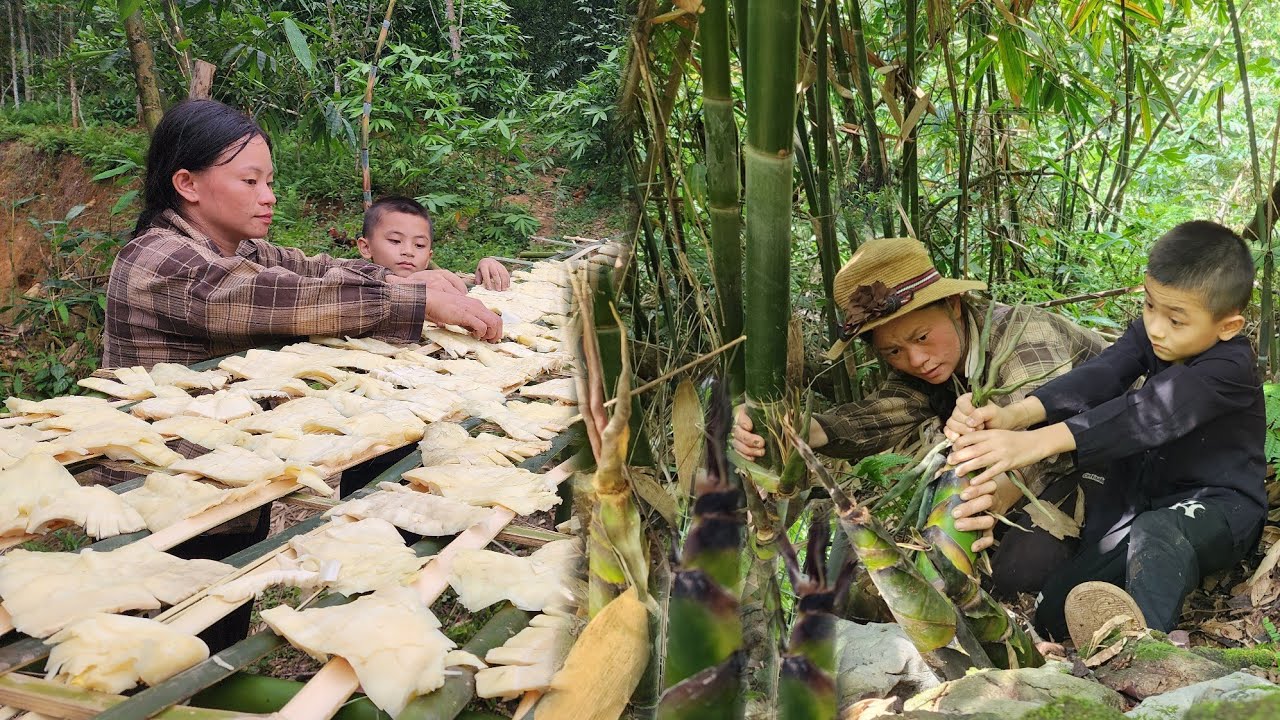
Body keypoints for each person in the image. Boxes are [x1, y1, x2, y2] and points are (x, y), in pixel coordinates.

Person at [945, 220, 1265, 648]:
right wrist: (1015, 415)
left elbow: (1148, 413)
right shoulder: (1152, 337)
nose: (1155, 327)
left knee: (1159, 533)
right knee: (1051, 607)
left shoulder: (1230, 366)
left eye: (1176, 319)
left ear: (1228, 325)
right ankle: (1082, 643)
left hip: (1218, 508)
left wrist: (1035, 442)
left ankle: (1145, 653)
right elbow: (1100, 375)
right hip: (1142, 501)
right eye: (1150, 307)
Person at [731, 237, 1109, 596]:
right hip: (1033, 463)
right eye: (893, 351)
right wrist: (797, 430)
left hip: (1108, 455)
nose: (915, 360)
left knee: (1020, 571)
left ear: (955, 305)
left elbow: (1043, 439)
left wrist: (996, 496)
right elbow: (881, 413)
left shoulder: (1023, 335)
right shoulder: (931, 368)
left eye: (922, 337)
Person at [103, 99, 502, 370]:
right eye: (250, 181)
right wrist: (415, 299)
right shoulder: (156, 260)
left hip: (225, 461)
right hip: (157, 476)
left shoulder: (243, 250)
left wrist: (400, 277)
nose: (269, 197)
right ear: (187, 184)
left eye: (269, 181)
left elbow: (316, 270)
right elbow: (280, 297)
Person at [357, 195, 512, 291]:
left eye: (419, 245)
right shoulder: (357, 284)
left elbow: (467, 286)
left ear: (428, 257)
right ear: (366, 247)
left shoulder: (437, 282)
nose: (408, 251)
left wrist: (487, 268)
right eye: (395, 241)